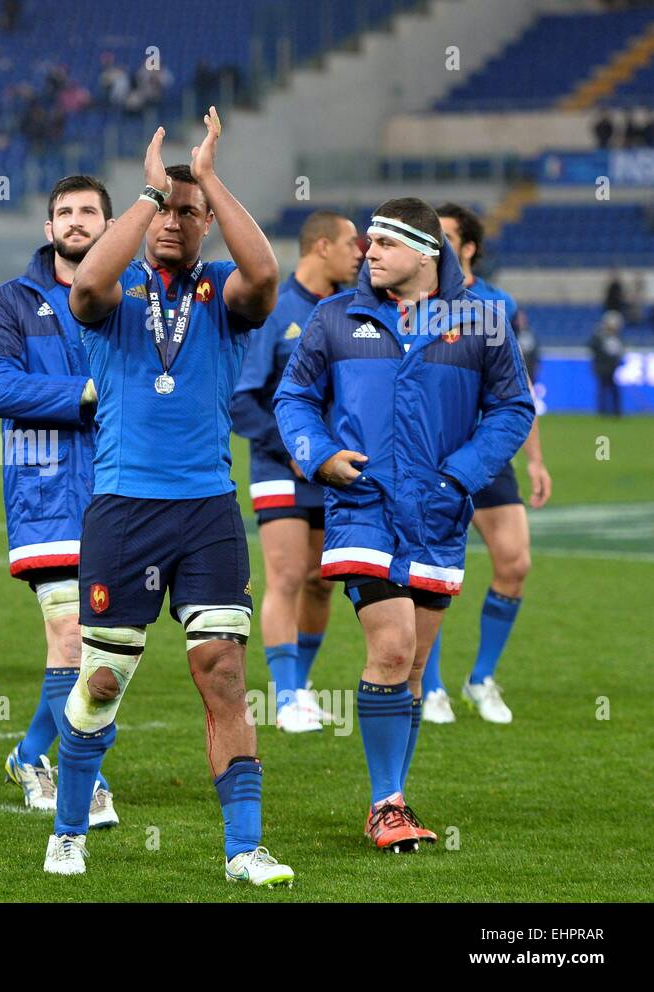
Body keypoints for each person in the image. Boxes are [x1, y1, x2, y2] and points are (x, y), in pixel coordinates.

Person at [45, 110, 293, 885]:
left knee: (222, 673)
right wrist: (151, 193)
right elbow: (85, 279)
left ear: (208, 224)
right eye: (163, 209)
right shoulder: (114, 297)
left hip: (208, 511)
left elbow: (268, 278)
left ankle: (244, 848)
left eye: (190, 214)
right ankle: (67, 830)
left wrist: (209, 177)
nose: (173, 222)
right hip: (124, 509)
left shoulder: (222, 293)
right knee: (103, 682)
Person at [274, 197, 535, 852]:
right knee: (390, 649)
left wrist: (460, 476)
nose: (371, 254)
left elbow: (513, 409)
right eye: (368, 244)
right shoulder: (335, 318)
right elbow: (293, 397)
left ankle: (390, 795)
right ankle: (386, 804)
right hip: (361, 508)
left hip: (440, 514)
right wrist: (318, 454)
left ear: (425, 252)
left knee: (413, 667)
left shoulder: (484, 321)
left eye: (385, 245)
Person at [0, 175, 117, 827]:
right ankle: (86, 776)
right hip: (48, 494)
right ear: (48, 226)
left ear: (111, 227)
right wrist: (86, 394)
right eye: (65, 212)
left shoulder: (135, 298)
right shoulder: (12, 301)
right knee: (67, 638)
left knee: (104, 649)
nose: (76, 221)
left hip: (126, 493)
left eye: (89, 212)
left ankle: (30, 752)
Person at [420, 204, 553, 725]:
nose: (435, 246)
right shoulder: (412, 300)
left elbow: (514, 392)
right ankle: (429, 687)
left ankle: (481, 678)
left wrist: (535, 459)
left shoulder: (498, 303)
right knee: (428, 573)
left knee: (515, 563)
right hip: (431, 456)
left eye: (446, 237)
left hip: (490, 454)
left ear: (469, 246)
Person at [231, 210, 361, 734]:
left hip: (329, 467)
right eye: (353, 243)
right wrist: (289, 447)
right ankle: (284, 699)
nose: (362, 253)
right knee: (285, 575)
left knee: (321, 582)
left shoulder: (348, 312)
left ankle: (301, 688)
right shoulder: (274, 309)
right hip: (280, 464)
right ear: (322, 246)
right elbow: (241, 398)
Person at [590, 310, 625, 417]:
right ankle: (602, 411)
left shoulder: (616, 338)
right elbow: (593, 347)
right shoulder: (599, 337)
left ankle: (616, 412)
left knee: (614, 390)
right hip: (602, 368)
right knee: (603, 390)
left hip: (613, 369)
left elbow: (619, 352)